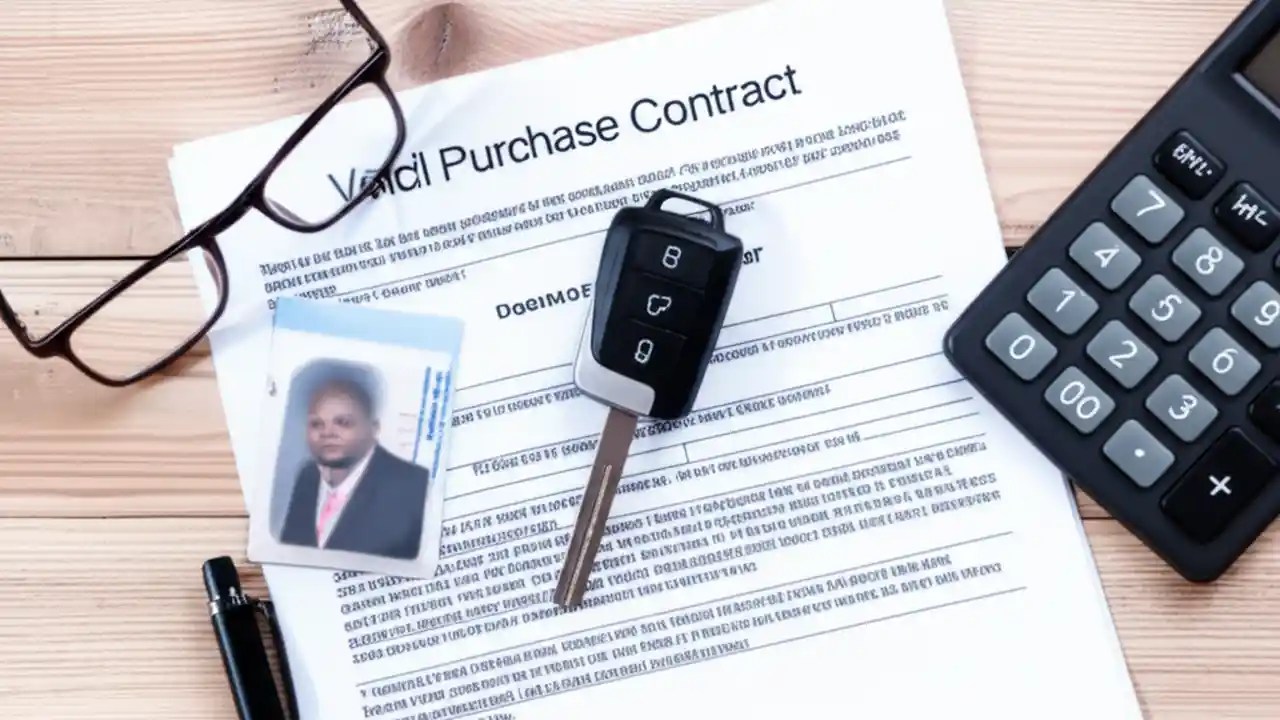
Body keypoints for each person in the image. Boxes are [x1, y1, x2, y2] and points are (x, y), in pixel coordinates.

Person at [278, 377, 430, 559]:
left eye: (343, 422)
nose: (327, 433)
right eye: (316, 424)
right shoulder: (308, 476)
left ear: (374, 428)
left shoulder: (415, 487)